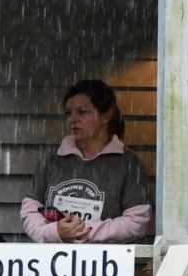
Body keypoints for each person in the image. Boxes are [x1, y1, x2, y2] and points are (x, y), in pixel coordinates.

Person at [20, 79, 153, 244]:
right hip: (53, 263)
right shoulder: (52, 160)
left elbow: (136, 222)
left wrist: (82, 231)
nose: (73, 119)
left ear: (106, 115)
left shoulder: (128, 164)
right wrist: (54, 232)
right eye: (69, 113)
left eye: (82, 112)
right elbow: (30, 209)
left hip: (104, 265)